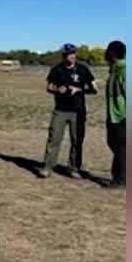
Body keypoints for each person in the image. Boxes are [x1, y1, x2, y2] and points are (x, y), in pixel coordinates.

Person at [39, 43, 99, 179]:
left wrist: (79, 90)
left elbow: (94, 89)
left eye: (72, 53)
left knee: (77, 140)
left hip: (78, 111)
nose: (70, 56)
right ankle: (48, 167)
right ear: (63, 55)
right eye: (67, 54)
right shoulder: (57, 69)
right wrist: (56, 89)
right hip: (60, 110)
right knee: (54, 138)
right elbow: (48, 87)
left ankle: (74, 168)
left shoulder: (83, 69)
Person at [103, 40, 126, 189]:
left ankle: (121, 178)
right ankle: (118, 175)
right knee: (114, 144)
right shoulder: (115, 69)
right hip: (113, 114)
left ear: (112, 53)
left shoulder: (124, 70)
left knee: (120, 146)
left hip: (121, 115)